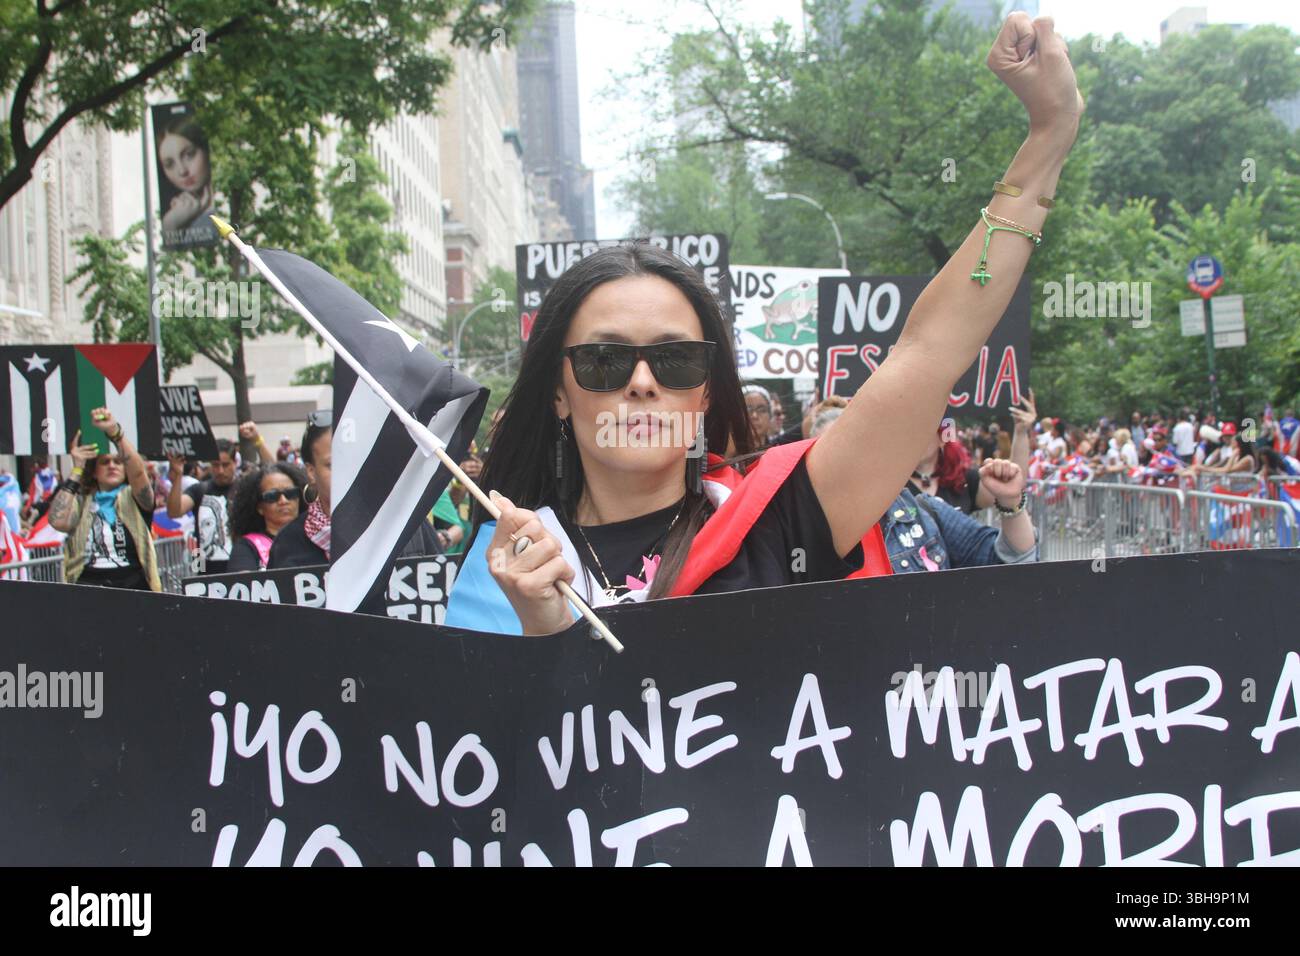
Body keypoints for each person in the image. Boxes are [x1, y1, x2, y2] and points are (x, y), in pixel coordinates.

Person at [443, 12, 1083, 635]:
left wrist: (1049, 133)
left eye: (675, 360)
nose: (641, 383)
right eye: (605, 360)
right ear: (558, 389)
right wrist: (540, 635)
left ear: (703, 391)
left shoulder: (778, 519)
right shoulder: (502, 570)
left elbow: (930, 347)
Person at [267, 410, 442, 569]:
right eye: (334, 464)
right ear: (311, 472)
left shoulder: (409, 527)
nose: (349, 472)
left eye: (358, 460)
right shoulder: (287, 544)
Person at [47, 410, 160, 591]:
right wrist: (77, 469)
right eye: (105, 462)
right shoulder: (82, 502)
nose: (112, 466)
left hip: (134, 587)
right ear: (94, 471)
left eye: (117, 462)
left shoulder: (134, 498)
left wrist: (115, 433)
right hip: (87, 589)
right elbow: (57, 521)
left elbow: (139, 473)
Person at [166, 438, 239, 574]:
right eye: (216, 465)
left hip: (239, 565)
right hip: (205, 567)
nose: (220, 470)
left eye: (225, 465)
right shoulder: (199, 489)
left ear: (235, 463)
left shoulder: (245, 488)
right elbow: (174, 512)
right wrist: (177, 476)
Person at [226, 464, 307, 571]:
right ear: (259, 507)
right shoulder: (246, 547)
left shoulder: (316, 539)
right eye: (272, 496)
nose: (283, 501)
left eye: (290, 493)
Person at [155, 115, 214, 234]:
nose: (182, 171)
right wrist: (170, 224)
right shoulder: (177, 214)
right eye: (170, 164)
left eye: (189, 154)